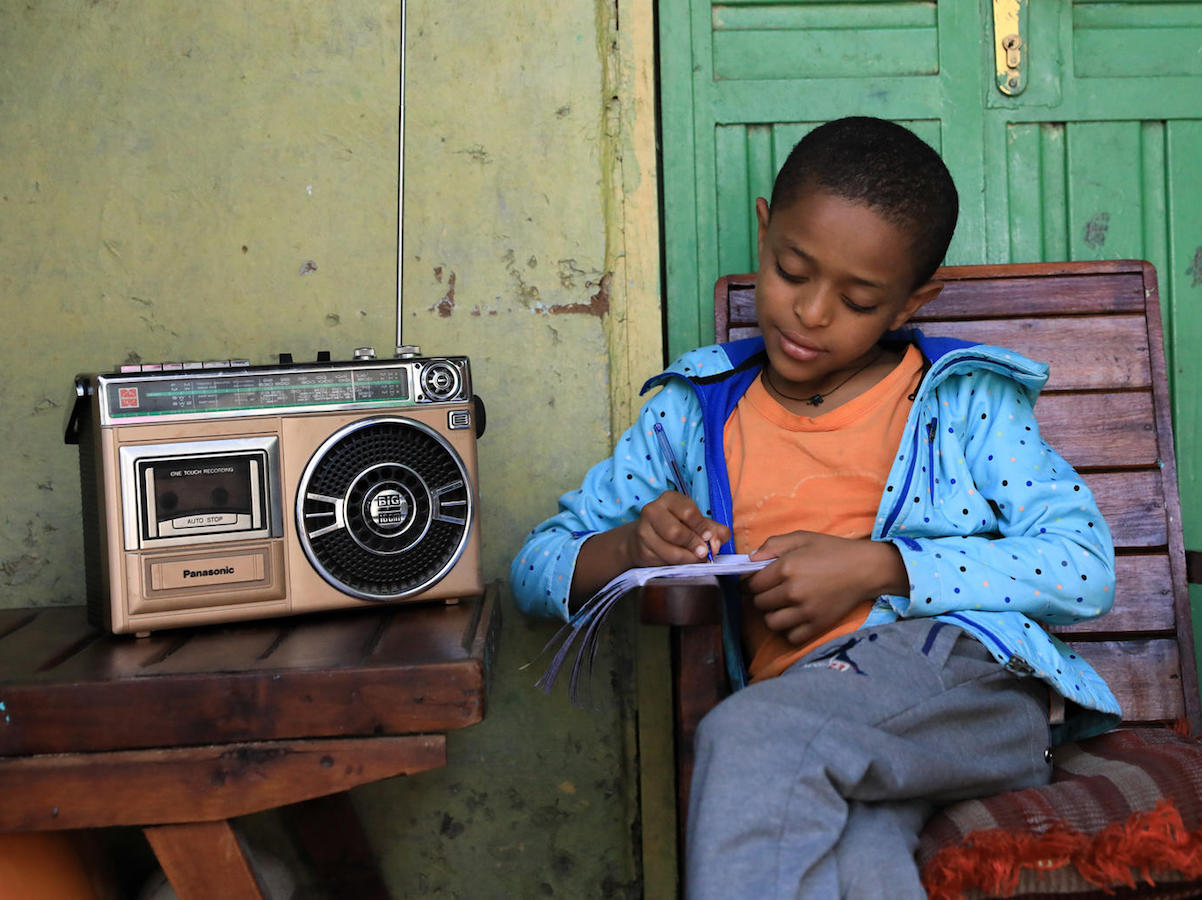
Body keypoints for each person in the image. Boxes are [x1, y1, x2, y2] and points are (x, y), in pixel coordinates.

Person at [510, 116, 1119, 898]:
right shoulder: (690, 414)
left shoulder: (960, 402)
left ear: (909, 303)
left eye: (859, 299)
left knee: (751, 736)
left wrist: (879, 567)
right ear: (765, 234)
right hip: (827, 719)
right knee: (853, 859)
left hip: (969, 685)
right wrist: (630, 548)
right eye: (793, 272)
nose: (812, 313)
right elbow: (533, 568)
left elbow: (1083, 566)